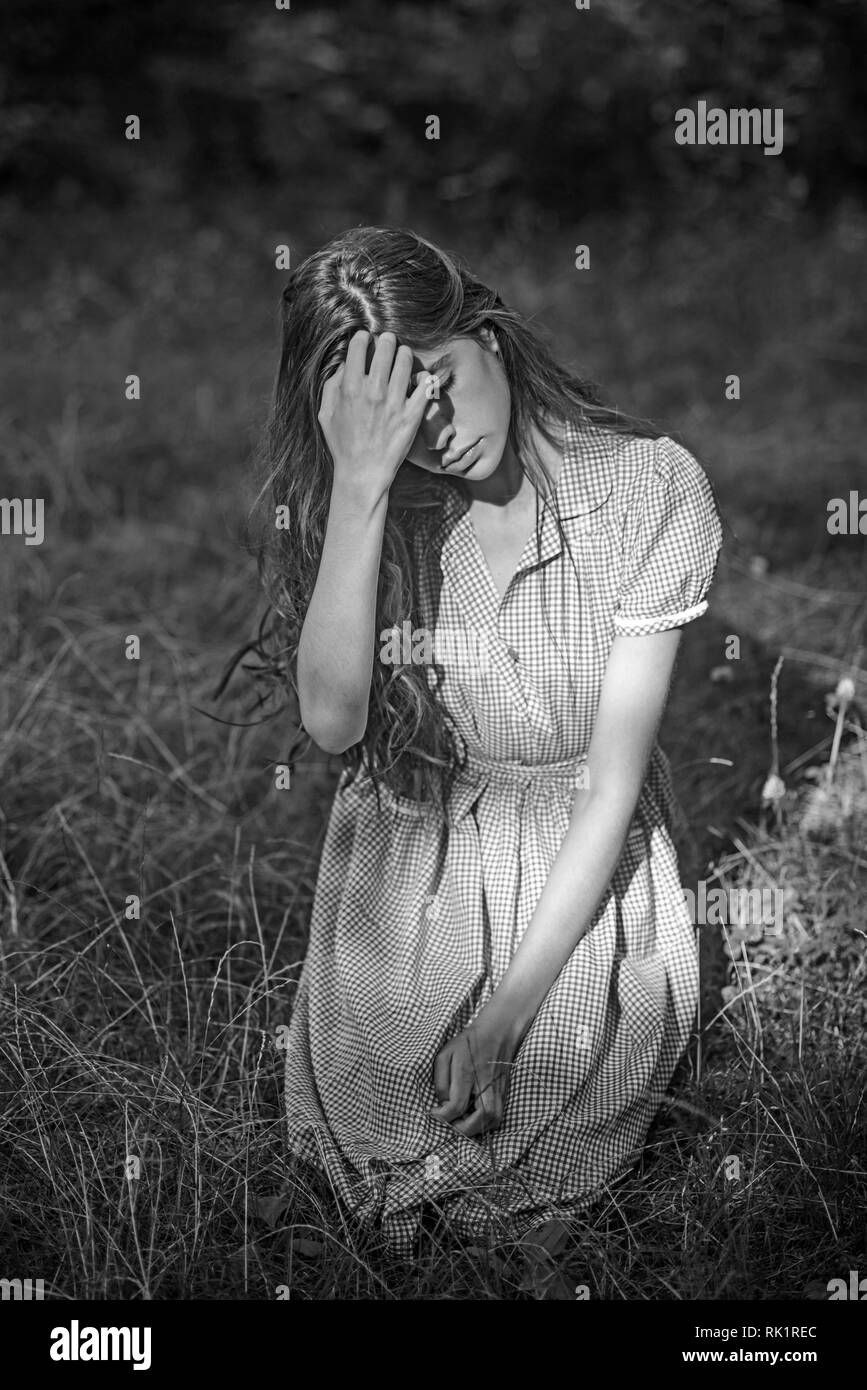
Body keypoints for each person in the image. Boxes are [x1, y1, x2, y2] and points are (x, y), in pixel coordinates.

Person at [251, 225, 723, 1253]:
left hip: (574, 862)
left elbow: (610, 784)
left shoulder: (646, 488)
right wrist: (362, 486)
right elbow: (332, 721)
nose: (436, 433)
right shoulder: (387, 500)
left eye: (441, 384)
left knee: (530, 1139)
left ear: (492, 339)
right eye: (396, 416)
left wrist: (506, 1017)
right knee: (392, 1132)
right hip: (408, 875)